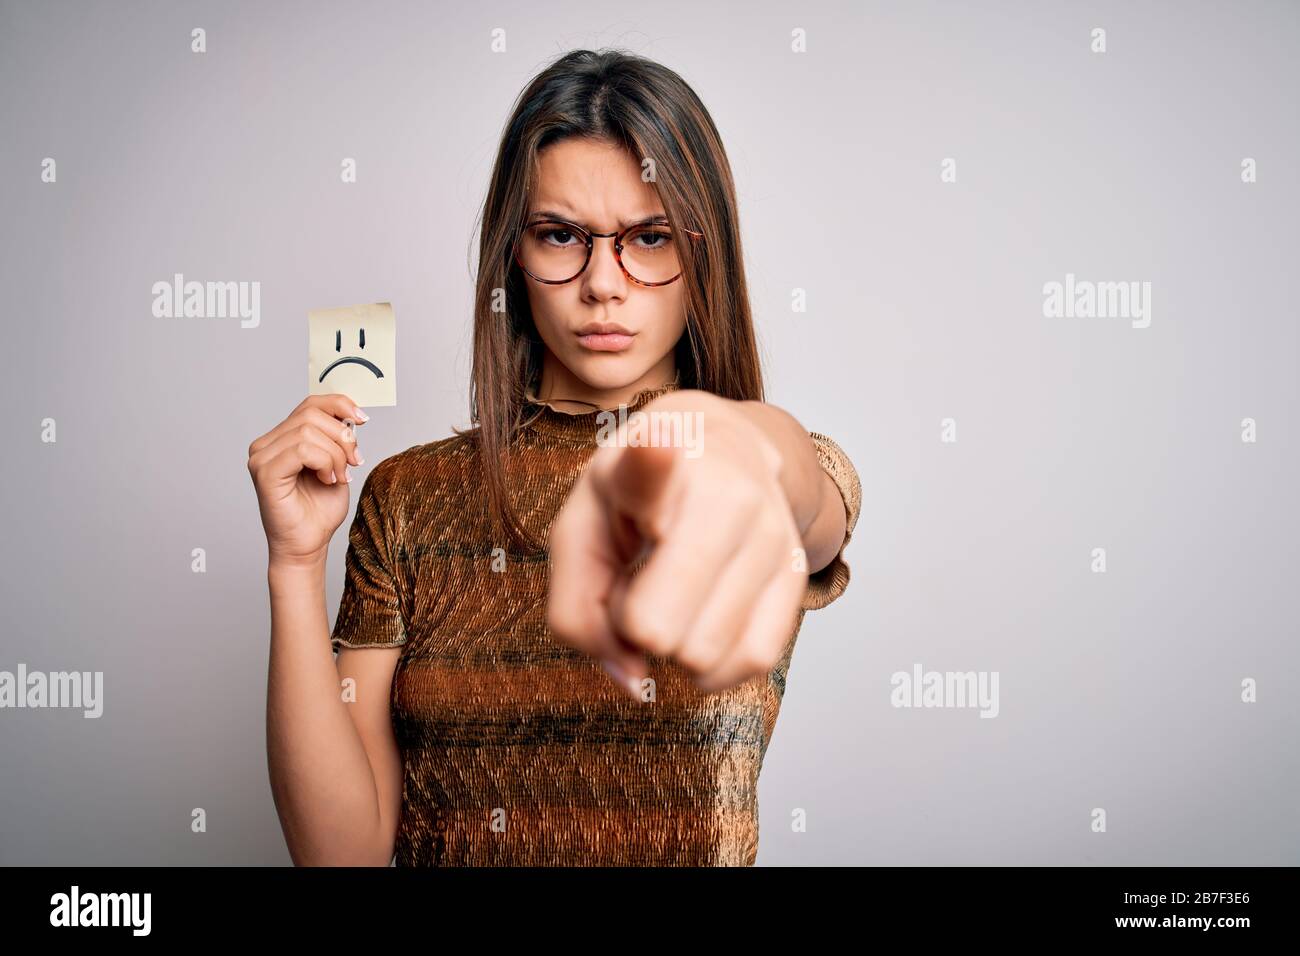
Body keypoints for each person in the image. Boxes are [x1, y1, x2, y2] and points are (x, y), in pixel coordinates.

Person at [247, 48, 862, 866]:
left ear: (703, 253)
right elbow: (341, 857)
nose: (603, 283)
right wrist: (293, 563)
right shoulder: (408, 497)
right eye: (561, 236)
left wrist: (755, 450)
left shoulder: (753, 468)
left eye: (649, 237)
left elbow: (808, 500)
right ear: (514, 253)